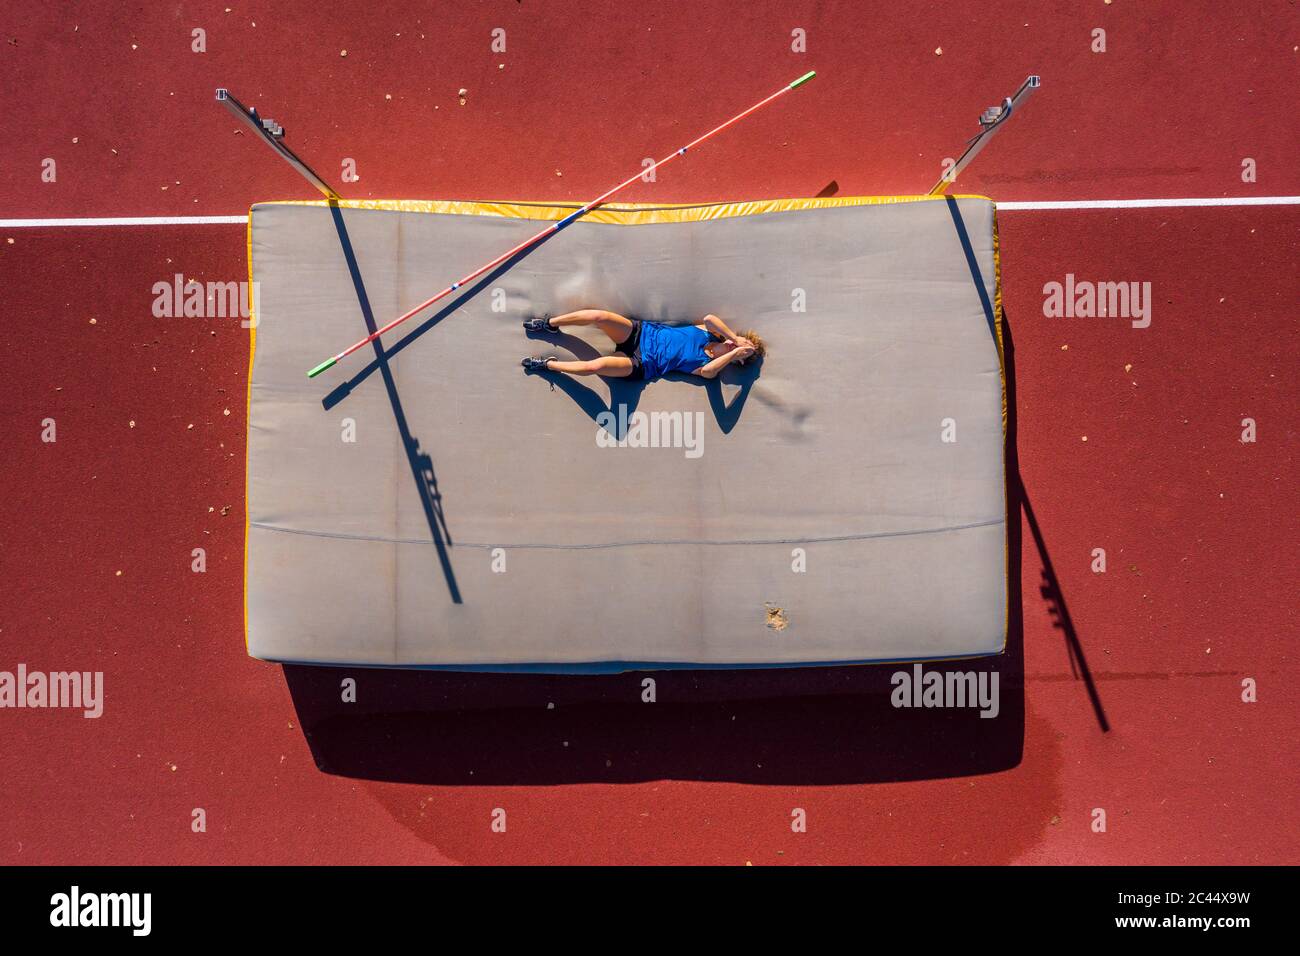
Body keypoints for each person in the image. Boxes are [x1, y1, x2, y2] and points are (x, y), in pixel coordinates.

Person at [521, 310, 765, 381]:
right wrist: (732, 337)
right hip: (641, 333)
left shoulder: (711, 365)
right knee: (600, 317)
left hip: (641, 364)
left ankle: (550, 366)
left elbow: (710, 373)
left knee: (595, 366)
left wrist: (734, 352)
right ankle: (549, 324)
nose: (741, 342)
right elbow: (710, 317)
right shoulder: (711, 332)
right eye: (745, 341)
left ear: (742, 358)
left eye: (746, 349)